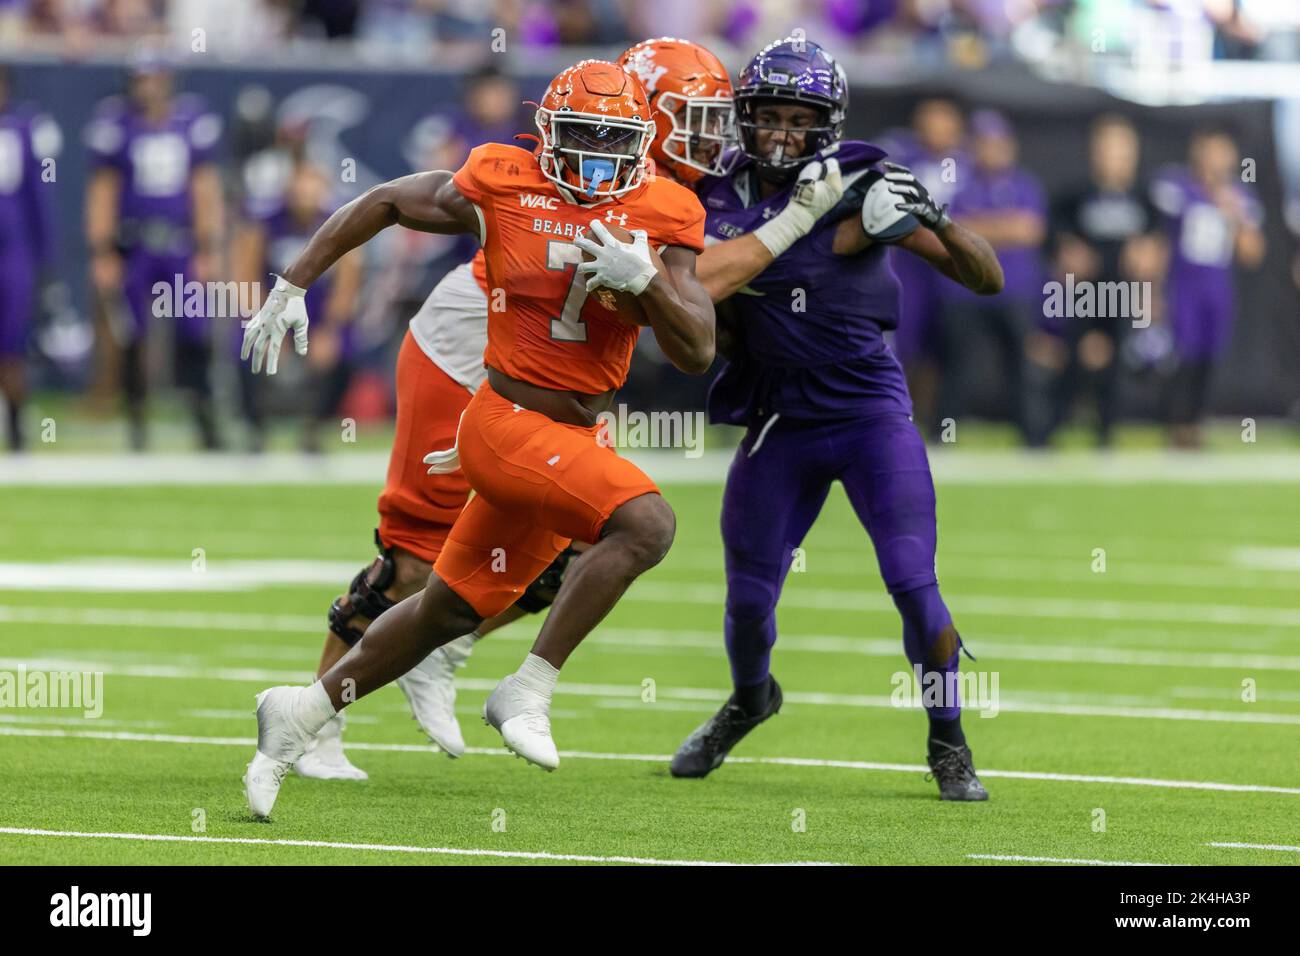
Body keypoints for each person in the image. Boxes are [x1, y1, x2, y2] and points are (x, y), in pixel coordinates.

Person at [238, 59, 720, 819]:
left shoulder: (666, 208)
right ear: (546, 133)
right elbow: (388, 200)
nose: (595, 155)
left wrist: (649, 281)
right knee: (646, 523)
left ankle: (296, 715)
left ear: (640, 143)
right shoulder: (501, 179)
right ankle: (527, 690)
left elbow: (696, 351)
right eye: (581, 136)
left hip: (573, 432)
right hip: (503, 420)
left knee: (446, 611)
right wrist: (294, 282)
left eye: (612, 139)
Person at [668, 38, 1005, 801]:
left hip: (866, 412)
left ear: (826, 125)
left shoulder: (860, 181)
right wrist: (795, 225)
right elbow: (702, 286)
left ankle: (948, 737)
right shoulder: (711, 194)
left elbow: (987, 278)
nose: (782, 132)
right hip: (778, 418)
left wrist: (940, 221)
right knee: (748, 603)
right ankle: (751, 699)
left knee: (913, 582)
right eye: (768, 117)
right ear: (742, 118)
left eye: (799, 118)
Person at [83, 48, 224, 450]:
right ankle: (138, 425)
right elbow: (103, 191)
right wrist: (102, 250)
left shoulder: (191, 121)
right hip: (134, 245)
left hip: (180, 243)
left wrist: (208, 245)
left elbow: (204, 187)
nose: (150, 87)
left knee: (194, 332)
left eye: (156, 78)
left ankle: (205, 422)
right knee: (133, 336)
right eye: (143, 79)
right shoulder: (116, 123)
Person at [232, 160, 364, 455]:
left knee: (346, 348)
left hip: (317, 313)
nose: (306, 192)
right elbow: (245, 278)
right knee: (244, 340)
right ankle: (255, 428)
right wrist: (264, 323)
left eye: (313, 183)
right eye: (300, 183)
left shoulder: (340, 222)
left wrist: (330, 330)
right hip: (274, 310)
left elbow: (347, 283)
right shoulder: (266, 222)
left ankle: (315, 427)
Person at [1049, 115, 1163, 446]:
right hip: (1084, 292)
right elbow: (1055, 236)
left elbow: (1155, 245)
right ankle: (1054, 426)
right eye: (1108, 149)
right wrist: (1067, 251)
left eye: (1122, 150)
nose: (1115, 157)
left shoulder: (1144, 198)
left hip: (1125, 292)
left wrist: (1150, 260)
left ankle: (1106, 433)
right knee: (1074, 357)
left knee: (1119, 362)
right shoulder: (1076, 195)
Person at [936, 109, 1047, 445]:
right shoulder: (959, 183)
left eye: (997, 143)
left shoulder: (1025, 184)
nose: (992, 150)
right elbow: (954, 231)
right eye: (984, 143)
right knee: (958, 369)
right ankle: (944, 436)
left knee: (1022, 370)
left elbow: (1031, 230)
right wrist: (1005, 226)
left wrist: (983, 227)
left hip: (1014, 291)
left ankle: (1033, 439)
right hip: (965, 292)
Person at [1151, 126, 1265, 448]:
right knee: (1182, 356)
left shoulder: (1240, 196)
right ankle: (1175, 424)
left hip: (1217, 289)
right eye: (1210, 151)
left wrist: (1235, 214)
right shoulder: (1177, 187)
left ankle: (1196, 424)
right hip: (1182, 285)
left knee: (1209, 357)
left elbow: (1252, 253)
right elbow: (1158, 239)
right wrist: (1154, 288)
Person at [0, 66, 58, 452]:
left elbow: (39, 199)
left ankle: (18, 428)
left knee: (12, 343)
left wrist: (45, 260)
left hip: (12, 253)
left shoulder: (22, 129)